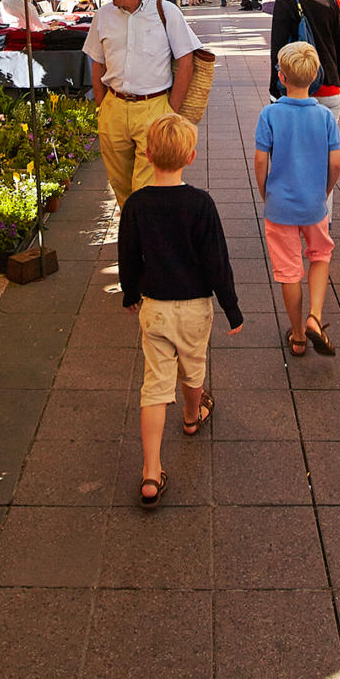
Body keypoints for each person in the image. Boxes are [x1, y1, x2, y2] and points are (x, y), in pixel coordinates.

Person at [118, 112, 243, 506]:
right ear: (191, 156)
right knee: (194, 365)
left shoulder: (137, 204)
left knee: (154, 384)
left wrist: (129, 294)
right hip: (193, 306)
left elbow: (127, 255)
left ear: (149, 155)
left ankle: (151, 471)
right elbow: (216, 261)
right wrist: (232, 308)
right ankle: (192, 417)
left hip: (154, 306)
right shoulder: (201, 204)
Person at [85, 0, 201, 205]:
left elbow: (186, 59)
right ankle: (133, 237)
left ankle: (146, 238)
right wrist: (102, 106)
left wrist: (172, 110)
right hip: (113, 108)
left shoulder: (166, 11)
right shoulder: (103, 15)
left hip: (154, 107)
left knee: (145, 189)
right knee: (120, 187)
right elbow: (97, 61)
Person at [255, 42, 340, 358]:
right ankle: (314, 317)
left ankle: (296, 335)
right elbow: (336, 163)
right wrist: (326, 190)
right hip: (313, 204)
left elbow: (261, 160)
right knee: (320, 254)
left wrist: (266, 191)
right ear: (316, 75)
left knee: (289, 270)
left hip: (280, 206)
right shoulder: (324, 117)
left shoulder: (270, 114)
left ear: (281, 76)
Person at [268, 0, 340, 117]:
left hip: (294, 89)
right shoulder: (330, 2)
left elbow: (278, 52)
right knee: (326, 142)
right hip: (329, 88)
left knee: (294, 141)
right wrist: (337, 84)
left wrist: (274, 90)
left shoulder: (284, 4)